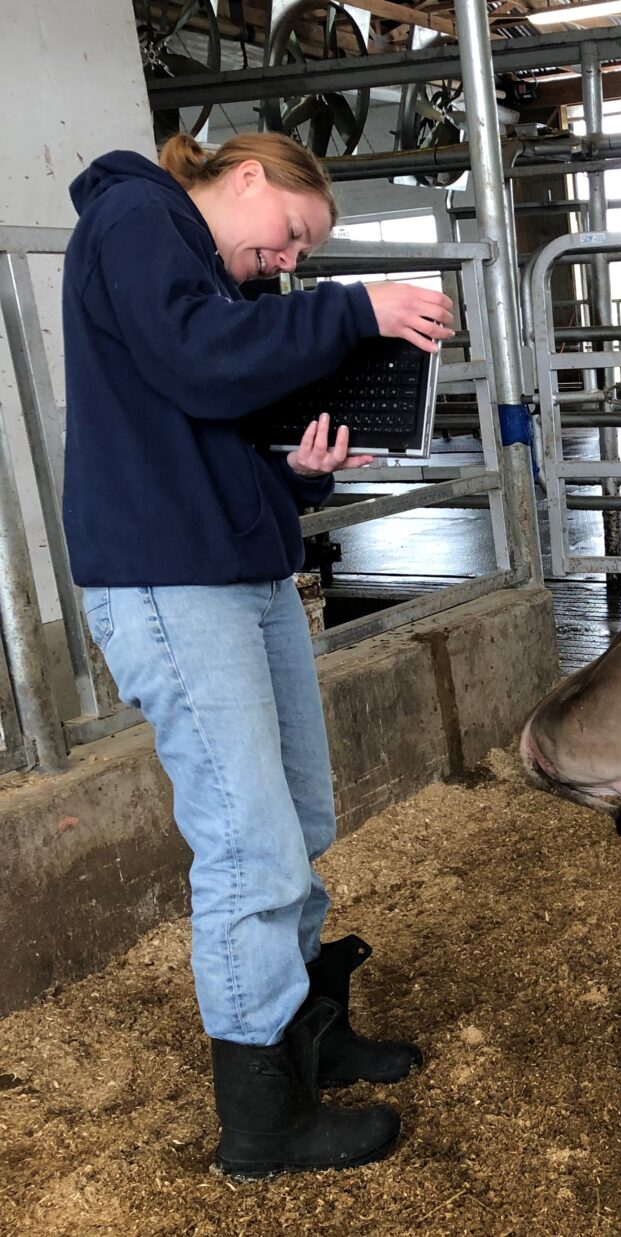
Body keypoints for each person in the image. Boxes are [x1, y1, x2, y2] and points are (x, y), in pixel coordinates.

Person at [61, 131, 454, 1178]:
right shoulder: (137, 219)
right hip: (171, 580)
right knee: (247, 844)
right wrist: (354, 310)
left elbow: (207, 412)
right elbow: (196, 360)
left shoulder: (195, 265)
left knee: (300, 812)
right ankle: (262, 1120)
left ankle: (307, 1035)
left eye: (303, 256)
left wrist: (299, 472)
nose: (289, 262)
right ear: (246, 180)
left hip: (236, 569)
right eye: (290, 236)